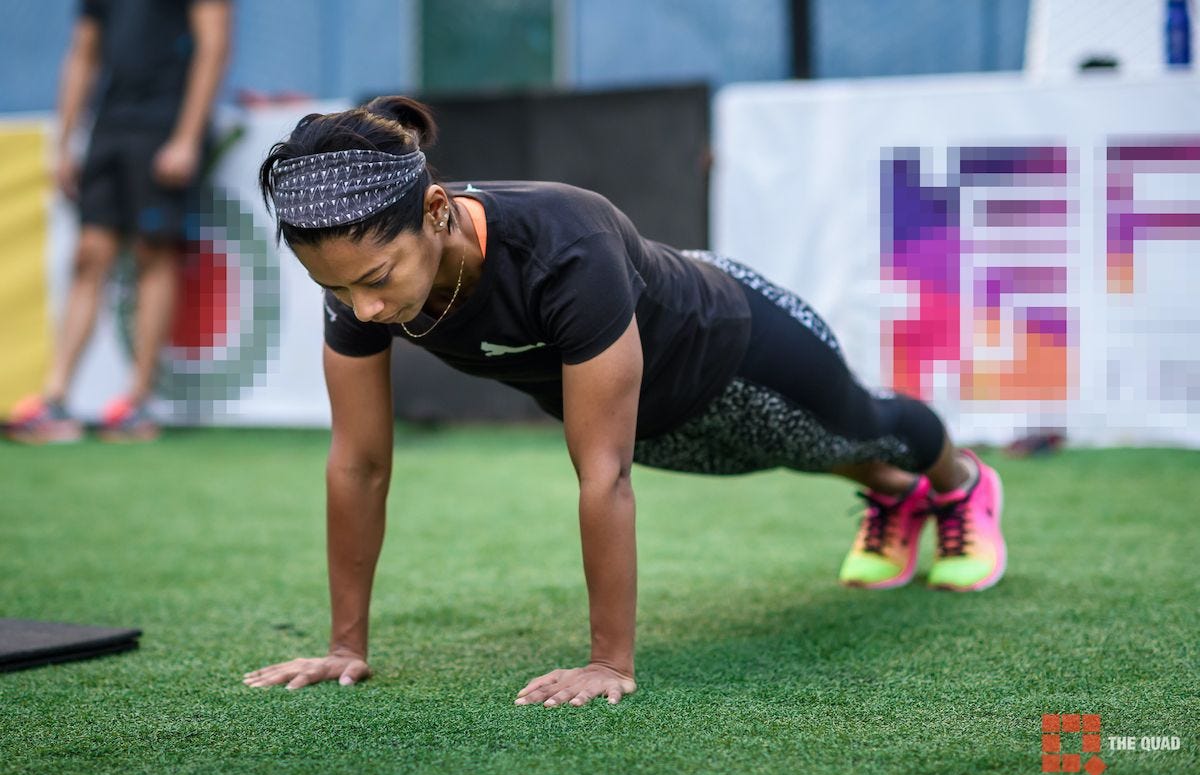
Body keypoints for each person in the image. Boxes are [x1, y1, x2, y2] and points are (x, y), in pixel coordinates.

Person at [241, 97, 1007, 707]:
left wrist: (609, 661)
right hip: (653, 420)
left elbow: (600, 473)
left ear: (436, 210)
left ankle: (961, 485)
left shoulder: (562, 239)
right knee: (803, 457)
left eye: (377, 278)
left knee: (859, 431)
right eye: (334, 288)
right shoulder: (358, 284)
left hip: (735, 345)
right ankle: (900, 503)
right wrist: (347, 646)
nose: (363, 308)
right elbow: (361, 461)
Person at [8, 0, 231, 442]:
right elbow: (82, 54)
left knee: (154, 252)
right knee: (89, 255)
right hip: (110, 126)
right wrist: (66, 140)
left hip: (165, 126)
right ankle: (54, 399)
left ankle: (136, 401)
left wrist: (186, 137)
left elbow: (214, 45)